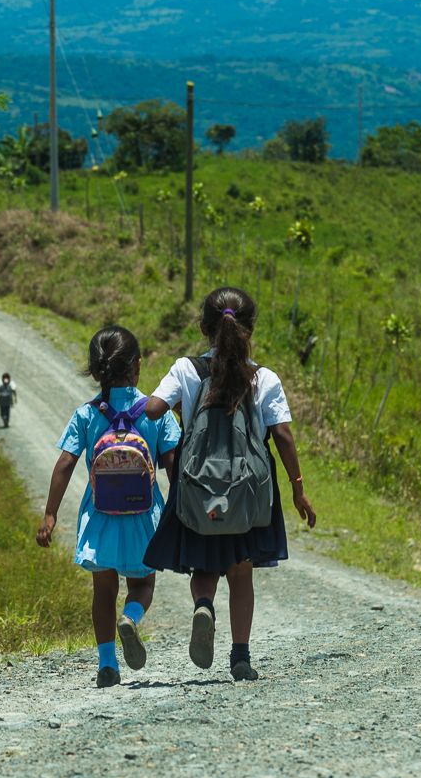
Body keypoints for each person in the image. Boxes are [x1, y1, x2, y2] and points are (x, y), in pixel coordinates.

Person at [142, 287, 316, 682]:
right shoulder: (263, 378)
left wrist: (131, 407)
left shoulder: (187, 370)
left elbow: (154, 410)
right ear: (249, 329)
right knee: (241, 572)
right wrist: (298, 487)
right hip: (247, 493)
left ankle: (204, 604)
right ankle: (240, 657)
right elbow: (283, 436)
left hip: (197, 487)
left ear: (204, 327)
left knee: (203, 564)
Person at [36, 326, 180, 688]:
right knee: (143, 584)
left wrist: (51, 513)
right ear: (137, 367)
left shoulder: (86, 414)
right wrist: (182, 509)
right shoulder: (156, 411)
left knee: (103, 592)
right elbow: (174, 463)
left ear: (96, 370)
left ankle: (106, 664)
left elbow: (65, 463)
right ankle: (131, 617)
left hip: (100, 517)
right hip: (144, 517)